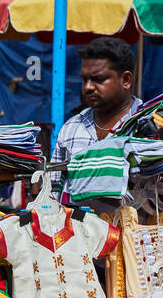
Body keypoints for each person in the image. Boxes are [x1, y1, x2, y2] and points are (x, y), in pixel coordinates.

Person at [51, 36, 142, 190]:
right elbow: (53, 188)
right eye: (84, 80)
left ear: (126, 80)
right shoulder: (72, 128)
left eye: (98, 79)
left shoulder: (150, 125)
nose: (88, 87)